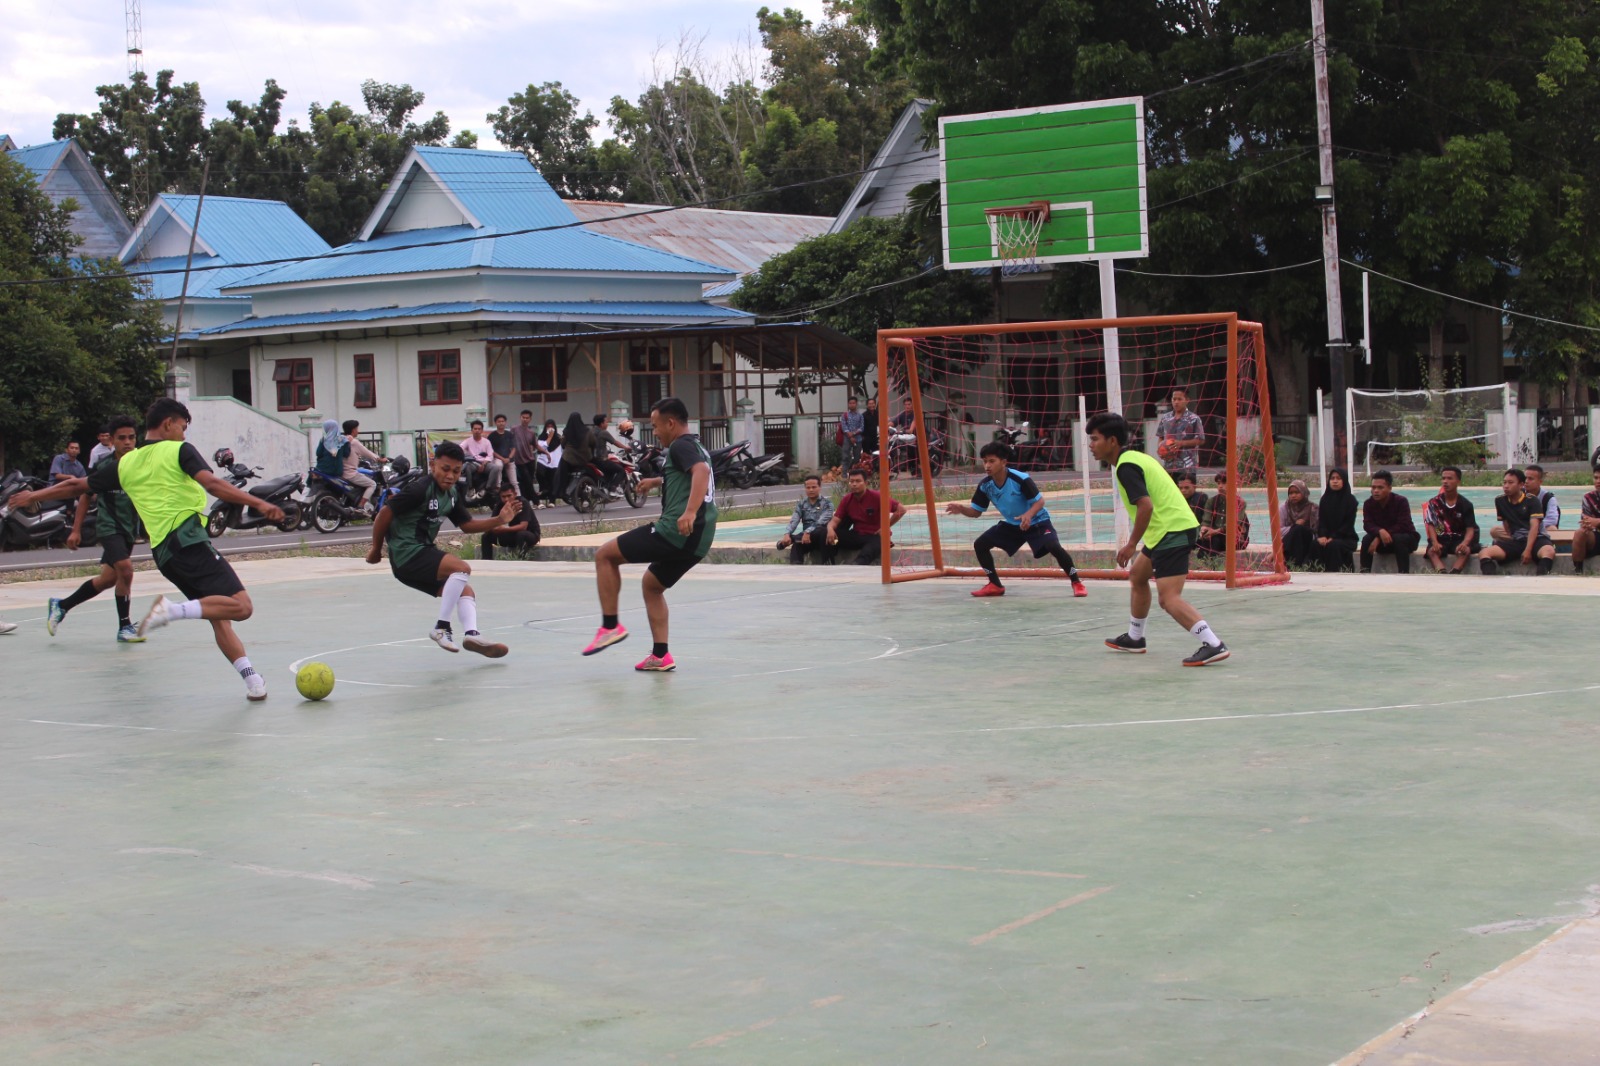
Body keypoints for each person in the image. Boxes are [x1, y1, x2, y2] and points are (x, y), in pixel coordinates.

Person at [11, 398, 286, 700]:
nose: (184, 434)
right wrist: (258, 502)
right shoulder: (179, 449)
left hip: (165, 555)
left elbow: (77, 486)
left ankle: (251, 679)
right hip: (188, 541)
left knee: (217, 614)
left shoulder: (126, 463)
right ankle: (171, 611)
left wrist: (33, 495)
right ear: (169, 424)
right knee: (242, 607)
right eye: (183, 427)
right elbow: (211, 484)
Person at [585, 397, 716, 672]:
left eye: (656, 426)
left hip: (677, 531)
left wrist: (689, 511)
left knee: (605, 556)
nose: (654, 432)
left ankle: (610, 626)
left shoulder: (680, 445)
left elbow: (701, 473)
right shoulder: (696, 445)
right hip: (699, 539)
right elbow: (690, 472)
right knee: (652, 585)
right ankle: (660, 655)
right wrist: (656, 481)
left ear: (671, 423)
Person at [1086, 411, 1228, 666]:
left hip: (1172, 531)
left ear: (1113, 441)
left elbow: (1146, 506)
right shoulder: (1132, 459)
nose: (1090, 445)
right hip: (1165, 530)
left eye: (1095, 439)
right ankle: (1135, 638)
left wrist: (1131, 544)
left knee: (1168, 598)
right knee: (1138, 575)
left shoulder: (1127, 467)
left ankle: (1214, 644)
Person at [366, 440, 519, 655]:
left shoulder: (452, 494)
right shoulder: (420, 489)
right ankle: (442, 627)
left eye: (456, 471)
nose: (450, 475)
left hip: (415, 560)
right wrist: (375, 549)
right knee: (461, 568)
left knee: (465, 590)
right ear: (433, 466)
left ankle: (472, 635)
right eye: (445, 469)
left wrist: (499, 520)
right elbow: (384, 513)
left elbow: (466, 525)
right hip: (407, 553)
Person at [43, 415, 144, 642]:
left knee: (108, 579)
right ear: (112, 441)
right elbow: (85, 495)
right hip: (109, 527)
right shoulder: (103, 466)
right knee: (126, 571)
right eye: (122, 438)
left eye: (131, 437)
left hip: (128, 529)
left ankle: (62, 605)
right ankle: (124, 627)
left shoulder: (141, 463)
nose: (127, 442)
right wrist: (76, 530)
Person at [944, 441, 1087, 597]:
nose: (987, 466)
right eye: (985, 461)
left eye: (992, 461)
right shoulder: (985, 485)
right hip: (1013, 525)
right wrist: (962, 509)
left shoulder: (1020, 478)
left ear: (1004, 462)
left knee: (1053, 546)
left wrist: (1028, 514)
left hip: (1037, 521)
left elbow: (1040, 502)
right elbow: (976, 512)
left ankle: (1076, 581)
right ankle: (995, 584)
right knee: (980, 544)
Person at [1479, 468, 1554, 575]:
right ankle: (1491, 579)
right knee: (1484, 553)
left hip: (1537, 538)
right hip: (1516, 540)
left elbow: (1534, 527)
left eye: (1510, 483)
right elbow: (1506, 525)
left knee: (1549, 551)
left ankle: (1541, 577)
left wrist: (1528, 550)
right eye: (1504, 482)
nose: (1506, 486)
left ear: (1521, 485)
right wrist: (1509, 541)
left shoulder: (1532, 500)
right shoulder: (1500, 501)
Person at [825, 469, 905, 565]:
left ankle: (857, 564)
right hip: (857, 535)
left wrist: (886, 526)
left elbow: (901, 509)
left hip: (875, 536)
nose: (854, 484)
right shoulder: (847, 499)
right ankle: (828, 561)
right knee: (829, 535)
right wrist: (830, 529)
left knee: (875, 544)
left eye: (858, 481)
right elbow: (835, 520)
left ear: (865, 483)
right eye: (851, 481)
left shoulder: (877, 497)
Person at [1359, 470, 1419, 573]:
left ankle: (1404, 573)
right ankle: (1364, 572)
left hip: (1405, 540)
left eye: (1380, 488)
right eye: (1373, 488)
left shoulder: (1401, 501)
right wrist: (1380, 532)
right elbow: (1368, 524)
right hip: (1383, 543)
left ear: (1389, 488)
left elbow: (1403, 525)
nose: (1376, 491)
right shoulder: (1368, 503)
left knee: (1398, 538)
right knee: (1366, 539)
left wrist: (1380, 536)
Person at [1423, 466, 1479, 573]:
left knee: (1465, 551)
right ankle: (1441, 571)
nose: (1445, 481)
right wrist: (1435, 542)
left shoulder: (1466, 504)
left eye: (1450, 478)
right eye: (1443, 478)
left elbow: (1470, 529)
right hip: (1441, 538)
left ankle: (1455, 571)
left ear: (1458, 481)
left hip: (1458, 538)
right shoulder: (1434, 503)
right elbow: (1431, 525)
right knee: (1432, 551)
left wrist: (1464, 543)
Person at [777, 475, 834, 564]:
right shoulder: (801, 504)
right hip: (806, 539)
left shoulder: (827, 504)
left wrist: (807, 532)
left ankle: (793, 538)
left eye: (814, 487)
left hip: (821, 538)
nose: (811, 490)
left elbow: (821, 522)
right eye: (808, 487)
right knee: (797, 545)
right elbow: (794, 520)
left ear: (819, 487)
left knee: (822, 530)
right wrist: (787, 533)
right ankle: (796, 567)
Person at [478, 483, 541, 560]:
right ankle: (486, 562)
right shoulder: (499, 505)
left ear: (515, 494)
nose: (506, 499)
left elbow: (523, 526)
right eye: (503, 497)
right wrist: (494, 528)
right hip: (512, 534)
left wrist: (503, 529)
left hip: (530, 534)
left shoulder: (522, 503)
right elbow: (492, 523)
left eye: (509, 496)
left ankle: (521, 560)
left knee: (521, 535)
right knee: (486, 536)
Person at [1197, 470, 1249, 560]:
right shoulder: (1211, 501)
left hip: (1235, 538)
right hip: (1214, 536)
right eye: (1218, 483)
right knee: (1206, 539)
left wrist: (1215, 531)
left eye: (1224, 483)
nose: (1220, 486)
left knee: (1215, 539)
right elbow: (1206, 520)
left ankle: (1207, 566)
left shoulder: (1240, 503)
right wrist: (1204, 529)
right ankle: (1207, 565)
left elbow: (1234, 525)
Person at [1315, 469, 1359, 572]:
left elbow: (1348, 525)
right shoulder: (1325, 499)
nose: (1335, 481)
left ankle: (1334, 573)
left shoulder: (1350, 501)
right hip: (1328, 537)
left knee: (1333, 545)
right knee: (1315, 544)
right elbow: (1322, 522)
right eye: (1332, 478)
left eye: (1338, 478)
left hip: (1346, 538)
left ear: (1344, 481)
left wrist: (1333, 537)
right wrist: (1323, 536)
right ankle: (1316, 572)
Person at [1154, 387, 1205, 474]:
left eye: (1179, 399)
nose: (1176, 402)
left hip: (1188, 466)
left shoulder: (1194, 418)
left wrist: (1181, 443)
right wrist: (1161, 449)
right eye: (1174, 399)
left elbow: (1201, 440)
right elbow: (1161, 437)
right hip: (1169, 465)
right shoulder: (1165, 418)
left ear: (1187, 400)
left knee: (1185, 487)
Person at [340, 420, 385, 511]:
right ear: (353, 430)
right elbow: (367, 453)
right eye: (357, 429)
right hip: (350, 473)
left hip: (340, 473)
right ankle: (361, 506)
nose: (358, 431)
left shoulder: (340, 440)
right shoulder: (353, 442)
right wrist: (380, 459)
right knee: (372, 484)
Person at [1277, 479, 1319, 567]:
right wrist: (1294, 526)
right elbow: (1278, 531)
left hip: (1308, 540)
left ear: (1304, 493)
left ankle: (1277, 552)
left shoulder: (1313, 508)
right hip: (1289, 541)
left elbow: (1317, 531)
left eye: (1297, 492)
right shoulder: (1284, 508)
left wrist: (1299, 528)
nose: (1293, 495)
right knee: (1297, 529)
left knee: (1298, 529)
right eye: (1291, 493)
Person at [460, 419, 504, 497]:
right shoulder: (467, 441)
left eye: (479, 429)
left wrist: (484, 464)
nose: (477, 431)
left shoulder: (486, 442)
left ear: (482, 430)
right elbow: (460, 448)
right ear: (472, 430)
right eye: (475, 429)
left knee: (495, 468)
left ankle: (487, 489)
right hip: (473, 463)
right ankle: (470, 488)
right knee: (467, 467)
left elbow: (490, 455)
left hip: (485, 463)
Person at [591, 413, 629, 498]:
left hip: (591, 459)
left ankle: (605, 488)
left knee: (610, 471)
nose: (607, 423)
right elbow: (615, 442)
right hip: (601, 460)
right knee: (621, 470)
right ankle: (613, 489)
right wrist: (625, 448)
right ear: (601, 424)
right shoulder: (603, 432)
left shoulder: (591, 431)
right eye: (606, 422)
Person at [510, 409, 542, 505]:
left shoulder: (531, 433)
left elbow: (536, 445)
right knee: (527, 481)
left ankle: (526, 502)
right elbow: (509, 442)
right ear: (520, 418)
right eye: (523, 417)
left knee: (528, 482)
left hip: (530, 460)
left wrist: (546, 453)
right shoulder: (514, 429)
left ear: (530, 419)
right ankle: (537, 502)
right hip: (519, 461)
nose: (525, 419)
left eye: (527, 418)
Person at [1571, 466, 1600, 573]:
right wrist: (1587, 524)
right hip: (1596, 535)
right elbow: (1587, 521)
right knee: (1580, 533)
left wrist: (1597, 521)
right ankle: (1578, 570)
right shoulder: (1588, 497)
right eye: (1596, 478)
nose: (1598, 481)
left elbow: (1594, 522)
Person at [559, 411, 593, 501]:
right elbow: (593, 443)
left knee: (561, 474)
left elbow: (562, 444)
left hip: (568, 460)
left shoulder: (566, 432)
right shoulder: (587, 431)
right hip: (583, 459)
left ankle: (561, 492)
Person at [1525, 464, 1561, 533]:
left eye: (1530, 479)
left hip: (1540, 529)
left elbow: (1552, 520)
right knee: (1498, 530)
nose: (1526, 481)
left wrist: (1533, 526)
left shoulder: (1548, 498)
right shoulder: (1518, 495)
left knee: (1552, 528)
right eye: (1525, 478)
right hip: (1520, 529)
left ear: (1540, 482)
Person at [535, 419, 563, 505]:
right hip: (543, 460)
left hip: (555, 462)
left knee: (553, 480)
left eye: (552, 427)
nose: (550, 428)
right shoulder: (541, 437)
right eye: (548, 426)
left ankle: (552, 500)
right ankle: (543, 493)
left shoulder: (558, 438)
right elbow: (541, 447)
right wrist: (549, 437)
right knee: (539, 473)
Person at [487, 413, 518, 492]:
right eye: (499, 421)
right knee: (498, 465)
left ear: (505, 422)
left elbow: (514, 448)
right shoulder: (492, 436)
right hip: (498, 458)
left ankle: (518, 497)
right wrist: (503, 459)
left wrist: (509, 458)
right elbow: (492, 451)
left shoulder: (509, 434)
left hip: (509, 459)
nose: (501, 423)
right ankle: (498, 487)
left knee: (514, 482)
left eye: (503, 421)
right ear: (495, 423)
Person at [838, 396, 865, 472]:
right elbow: (844, 427)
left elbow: (862, 427)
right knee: (845, 456)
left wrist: (853, 434)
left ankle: (853, 472)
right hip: (847, 438)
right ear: (848, 404)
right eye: (850, 403)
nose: (852, 405)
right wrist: (850, 436)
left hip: (858, 439)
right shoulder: (845, 415)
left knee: (857, 457)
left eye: (853, 403)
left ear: (856, 404)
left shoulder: (860, 416)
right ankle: (844, 473)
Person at [862, 396, 881, 464]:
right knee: (867, 455)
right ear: (867, 405)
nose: (871, 405)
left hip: (876, 438)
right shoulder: (864, 415)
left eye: (873, 403)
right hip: (867, 438)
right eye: (870, 403)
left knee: (876, 454)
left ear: (875, 404)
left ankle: (876, 468)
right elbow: (862, 427)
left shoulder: (878, 413)